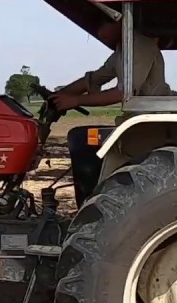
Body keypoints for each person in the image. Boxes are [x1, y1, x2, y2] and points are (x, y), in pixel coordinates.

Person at [49, 19, 167, 206]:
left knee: (84, 142)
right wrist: (59, 95)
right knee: (80, 137)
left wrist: (76, 100)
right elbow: (96, 78)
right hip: (137, 119)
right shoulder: (122, 50)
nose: (98, 30)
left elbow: (123, 93)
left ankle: (96, 205)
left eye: (103, 23)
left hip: (149, 122)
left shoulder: (139, 46)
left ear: (121, 21)